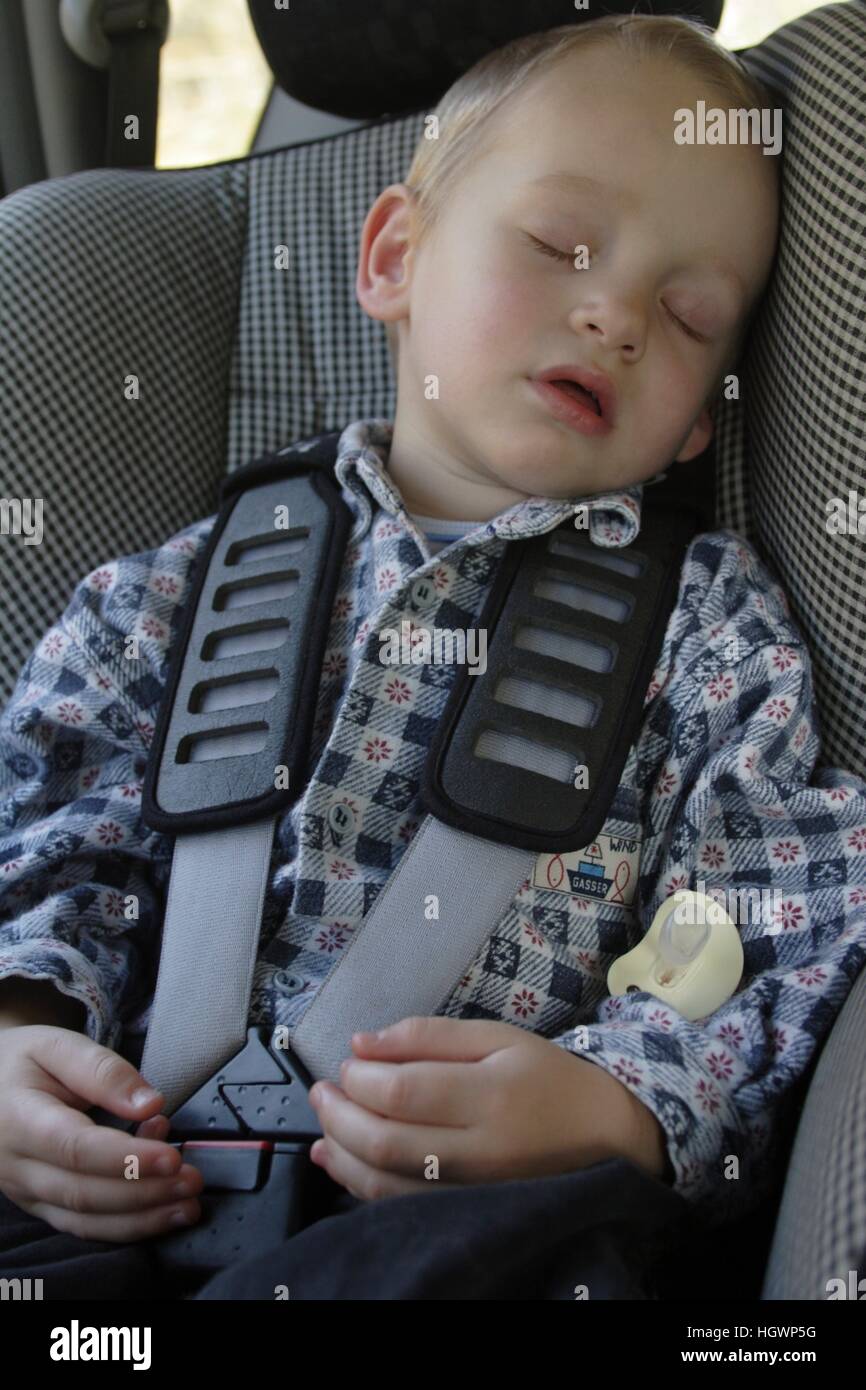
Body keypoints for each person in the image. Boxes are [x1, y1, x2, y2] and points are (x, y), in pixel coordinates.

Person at [1, 14, 864, 1301]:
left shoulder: (710, 632)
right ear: (394, 254)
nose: (615, 312)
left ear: (698, 429)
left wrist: (620, 1102)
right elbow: (52, 830)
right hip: (118, 1179)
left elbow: (772, 914)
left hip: (465, 1221)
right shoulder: (173, 591)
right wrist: (21, 1035)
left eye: (687, 319)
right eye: (558, 246)